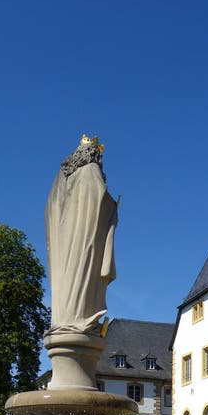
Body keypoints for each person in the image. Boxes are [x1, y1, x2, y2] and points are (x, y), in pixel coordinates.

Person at [45, 135, 119, 336]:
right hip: (84, 244)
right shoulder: (91, 170)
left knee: (67, 293)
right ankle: (79, 319)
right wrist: (113, 208)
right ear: (94, 153)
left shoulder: (59, 180)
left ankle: (65, 320)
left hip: (62, 255)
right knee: (82, 285)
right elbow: (100, 199)